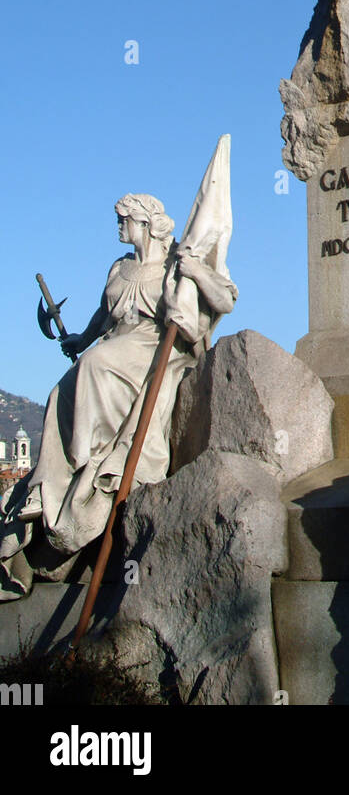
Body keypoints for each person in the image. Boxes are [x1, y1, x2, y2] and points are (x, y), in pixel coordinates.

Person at [0, 193, 237, 600]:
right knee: (63, 387)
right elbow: (102, 313)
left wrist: (195, 271)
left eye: (122, 219)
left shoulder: (173, 265)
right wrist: (82, 337)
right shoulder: (120, 267)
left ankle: (89, 462)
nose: (118, 226)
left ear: (144, 223)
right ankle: (66, 473)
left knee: (96, 365)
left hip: (151, 350)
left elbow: (226, 298)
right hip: (114, 344)